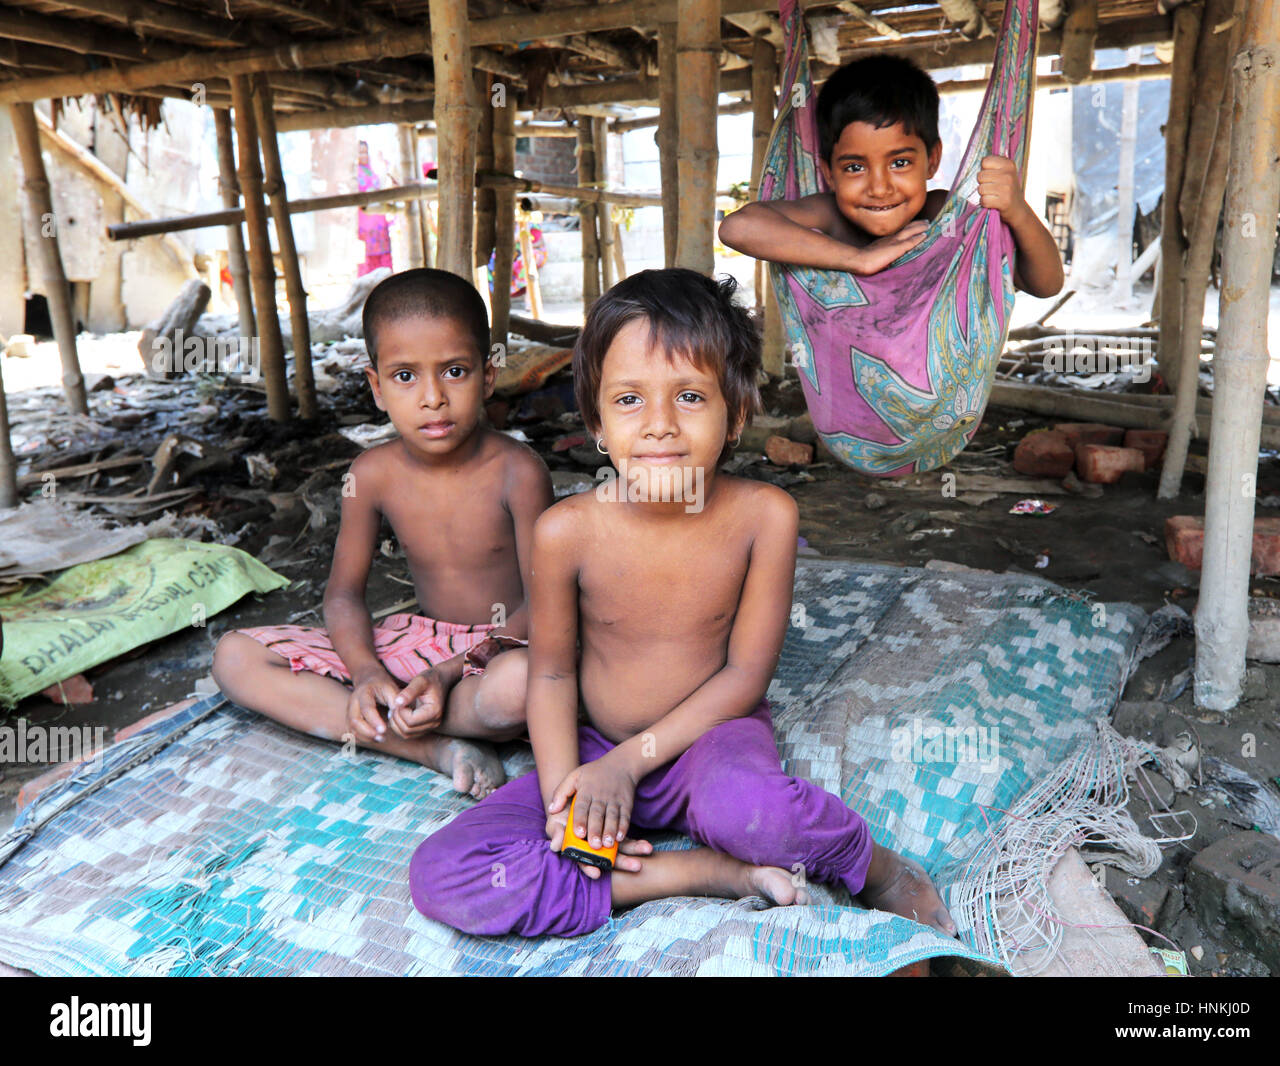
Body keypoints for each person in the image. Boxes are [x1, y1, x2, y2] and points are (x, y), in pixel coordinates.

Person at [408, 269, 957, 937]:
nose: (661, 426)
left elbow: (744, 678)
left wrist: (626, 764)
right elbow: (549, 674)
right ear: (597, 422)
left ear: (737, 416)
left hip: (709, 745)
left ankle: (880, 869)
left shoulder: (765, 517)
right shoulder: (566, 532)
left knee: (762, 818)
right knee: (448, 872)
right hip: (589, 743)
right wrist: (568, 796)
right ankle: (705, 873)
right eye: (631, 399)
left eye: (691, 396)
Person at [212, 269, 554, 799]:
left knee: (524, 686)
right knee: (234, 658)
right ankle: (431, 747)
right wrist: (368, 672)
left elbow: (544, 607)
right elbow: (344, 597)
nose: (432, 397)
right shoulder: (369, 474)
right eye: (405, 377)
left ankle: (402, 717)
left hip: (493, 653)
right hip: (411, 647)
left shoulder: (519, 471)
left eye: (455, 371)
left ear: (488, 378)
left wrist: (445, 675)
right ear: (376, 386)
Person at [718, 54, 1064, 297]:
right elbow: (738, 227)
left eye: (899, 163)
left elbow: (1043, 284)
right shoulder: (829, 216)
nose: (880, 188)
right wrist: (858, 259)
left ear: (932, 160)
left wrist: (1017, 210)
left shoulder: (942, 214)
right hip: (842, 399)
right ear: (829, 173)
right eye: (855, 167)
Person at [356, 140, 394, 276]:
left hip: (379, 220)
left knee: (383, 259)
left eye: (365, 152)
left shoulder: (373, 170)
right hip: (363, 222)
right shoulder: (354, 174)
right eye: (360, 152)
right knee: (365, 259)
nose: (363, 155)